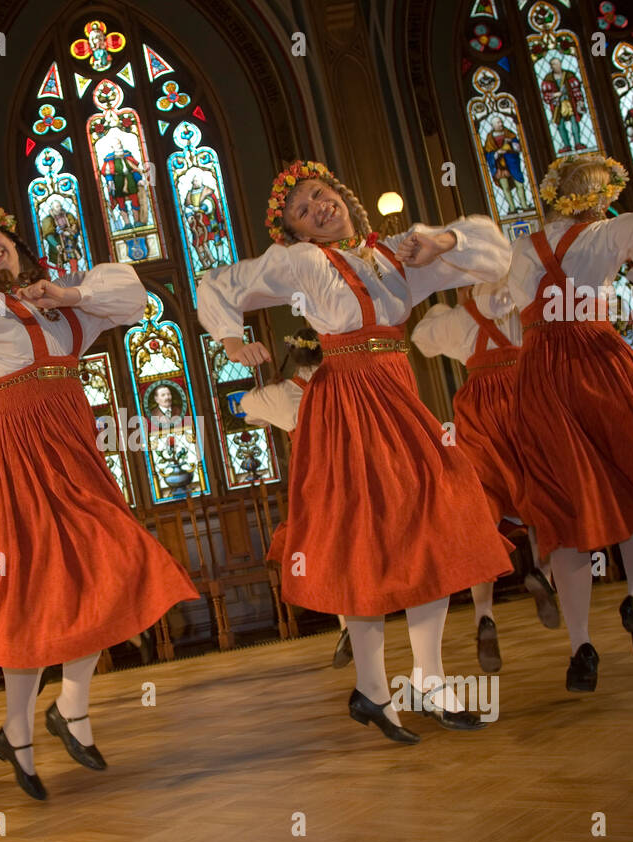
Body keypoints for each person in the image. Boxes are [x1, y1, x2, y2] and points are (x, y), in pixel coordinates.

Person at [0, 202, 196, 799]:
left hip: (72, 440)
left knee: (113, 562)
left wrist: (69, 296)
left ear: (13, 239)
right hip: (18, 450)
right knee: (31, 591)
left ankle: (69, 707)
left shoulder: (68, 291)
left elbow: (133, 295)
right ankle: (21, 732)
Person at [198, 160, 514, 744]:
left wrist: (443, 240)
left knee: (435, 528)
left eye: (319, 194)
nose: (317, 207)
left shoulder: (396, 255)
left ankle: (428, 679)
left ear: (340, 195)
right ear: (296, 233)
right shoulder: (305, 263)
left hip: (397, 395)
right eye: (301, 211)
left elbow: (495, 253)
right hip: (346, 403)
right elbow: (218, 283)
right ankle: (372, 688)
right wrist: (232, 339)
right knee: (362, 540)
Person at [506, 154, 633, 691]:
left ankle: (581, 649)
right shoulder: (610, 232)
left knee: (564, 501)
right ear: (597, 198)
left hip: (541, 373)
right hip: (600, 361)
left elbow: (515, 308)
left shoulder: (523, 247)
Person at [412, 282, 561, 672]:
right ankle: (542, 574)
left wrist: (440, 312)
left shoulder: (457, 319)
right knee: (538, 493)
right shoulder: (518, 309)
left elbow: (422, 340)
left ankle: (484, 614)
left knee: (484, 511)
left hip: (478, 415)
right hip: (524, 403)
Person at [239, 328, 352, 668]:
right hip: (353, 469)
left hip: (316, 482)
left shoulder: (282, 394)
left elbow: (247, 409)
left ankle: (348, 624)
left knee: (328, 551)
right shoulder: (346, 383)